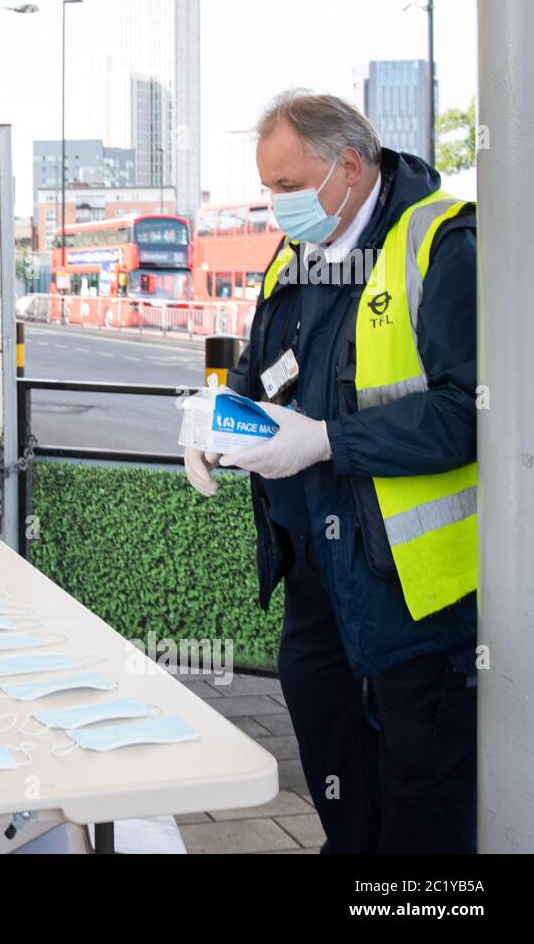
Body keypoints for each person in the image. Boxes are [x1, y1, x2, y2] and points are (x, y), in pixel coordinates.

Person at [184, 91, 478, 853]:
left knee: (423, 803)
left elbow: (468, 412)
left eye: (287, 185)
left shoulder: (442, 245)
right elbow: (260, 376)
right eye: (269, 188)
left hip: (411, 592)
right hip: (315, 576)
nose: (276, 205)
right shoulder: (298, 254)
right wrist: (215, 417)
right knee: (335, 769)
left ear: (350, 165)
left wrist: (325, 443)